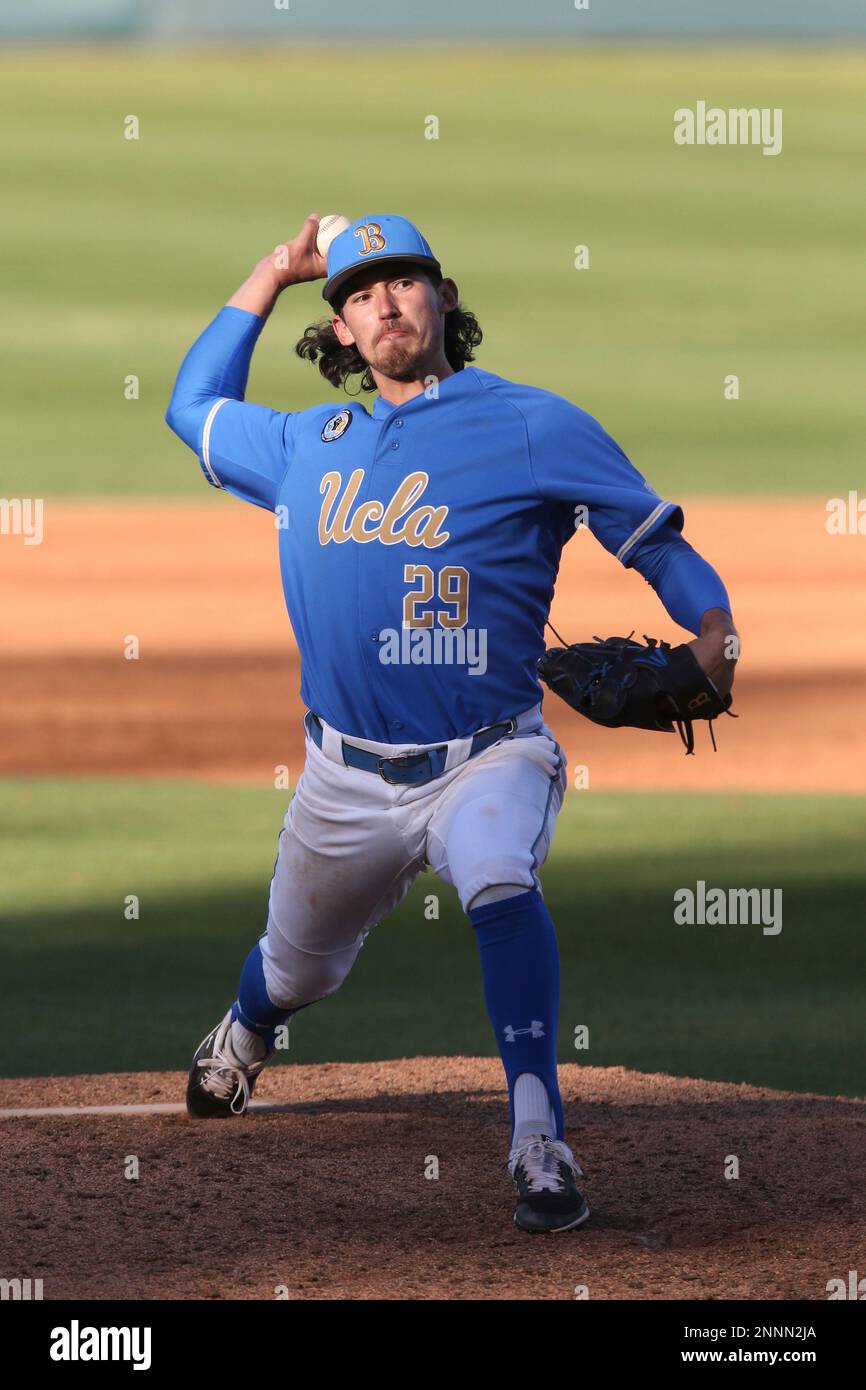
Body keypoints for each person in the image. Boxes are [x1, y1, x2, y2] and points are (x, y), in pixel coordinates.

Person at [165, 213, 738, 1234]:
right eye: (358, 291)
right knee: (293, 966)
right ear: (338, 328)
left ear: (443, 298)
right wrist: (269, 272)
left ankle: (537, 1135)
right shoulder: (305, 443)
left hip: (490, 751)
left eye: (403, 281)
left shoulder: (533, 423)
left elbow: (650, 539)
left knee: (497, 875)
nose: (384, 301)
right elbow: (190, 405)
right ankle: (247, 1032)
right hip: (341, 776)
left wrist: (711, 627)